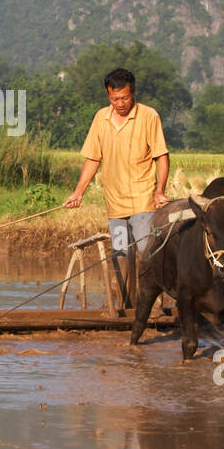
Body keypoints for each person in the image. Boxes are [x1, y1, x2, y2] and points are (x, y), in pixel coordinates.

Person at [63, 67, 170, 302]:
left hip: (143, 198)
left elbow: (161, 156)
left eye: (125, 97)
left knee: (146, 251)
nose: (120, 103)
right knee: (121, 253)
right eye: (114, 98)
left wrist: (159, 190)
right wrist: (78, 192)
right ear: (107, 95)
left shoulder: (148, 116)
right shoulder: (101, 118)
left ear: (133, 93)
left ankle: (156, 302)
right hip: (115, 203)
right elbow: (93, 158)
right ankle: (124, 303)